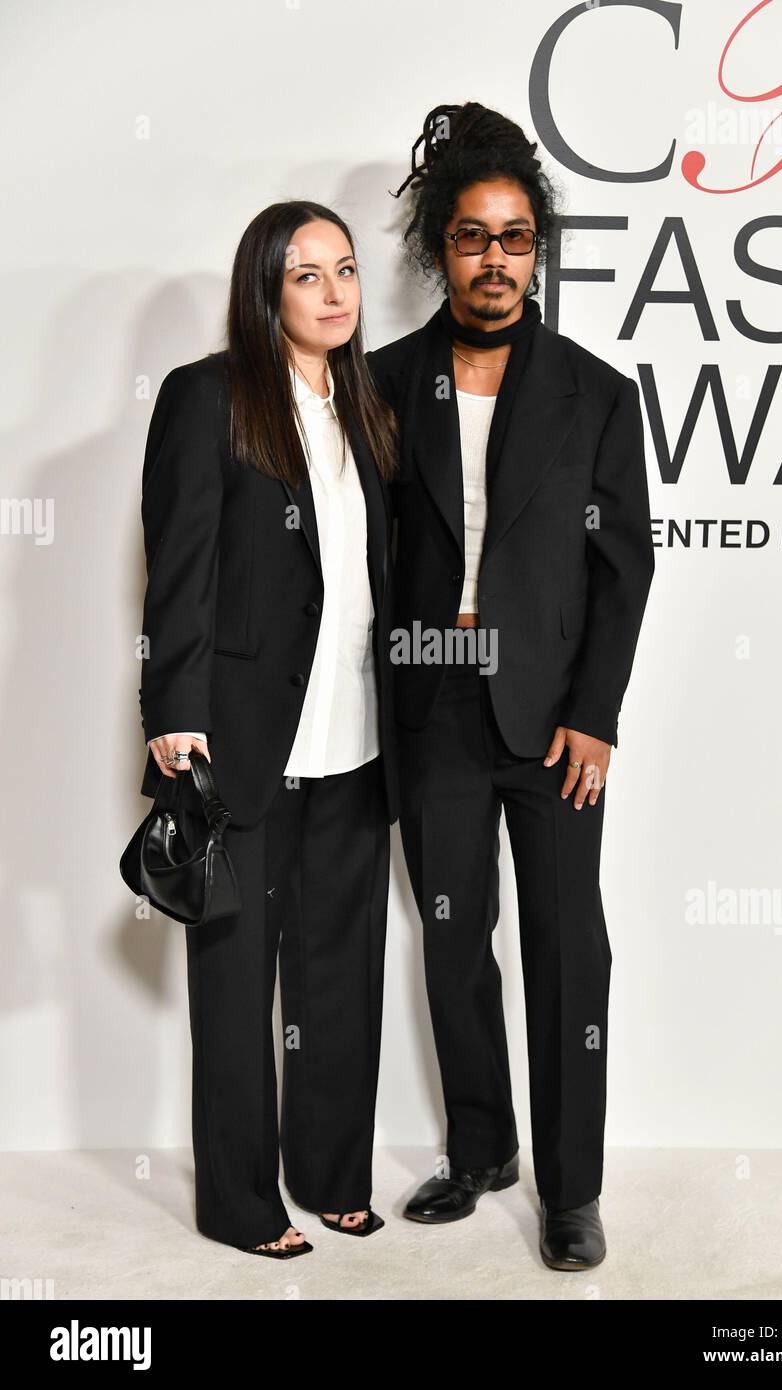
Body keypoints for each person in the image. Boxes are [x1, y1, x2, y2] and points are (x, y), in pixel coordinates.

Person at [366, 103, 655, 1271]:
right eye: (476, 237)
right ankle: (481, 1148)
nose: (497, 258)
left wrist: (595, 714)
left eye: (518, 237)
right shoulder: (380, 384)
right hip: (433, 707)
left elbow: (623, 566)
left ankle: (570, 1189)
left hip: (551, 725)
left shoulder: (595, 392)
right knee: (450, 941)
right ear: (441, 247)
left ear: (539, 250)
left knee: (566, 951)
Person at [136, 201, 399, 1257]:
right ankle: (239, 1202)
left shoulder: (365, 405)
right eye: (308, 276)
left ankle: (334, 1173)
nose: (335, 293)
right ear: (266, 290)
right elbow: (178, 570)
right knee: (236, 982)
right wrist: (175, 715)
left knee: (341, 970)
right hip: (242, 741)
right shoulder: (208, 398)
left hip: (356, 738)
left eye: (346, 271)